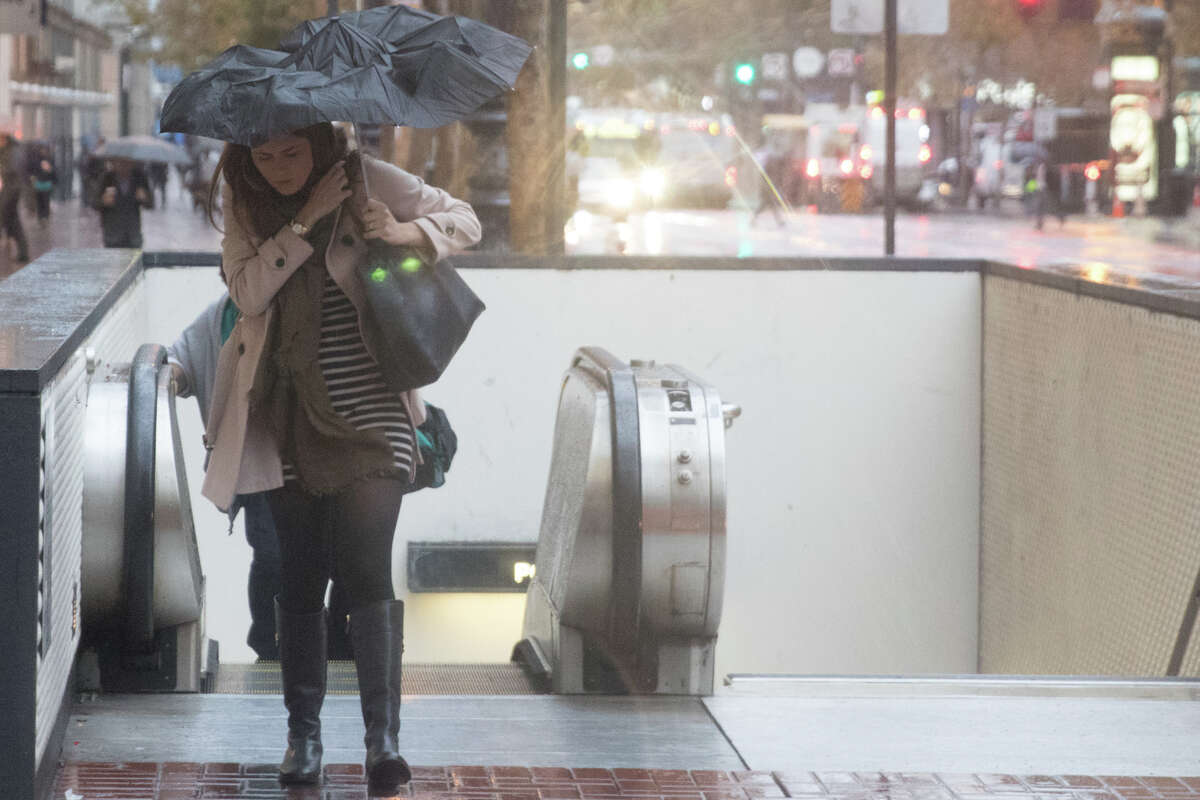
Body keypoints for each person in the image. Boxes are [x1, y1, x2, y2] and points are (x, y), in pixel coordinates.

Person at [199, 122, 480, 792]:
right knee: (299, 574)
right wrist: (303, 222)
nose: (277, 167)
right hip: (287, 416)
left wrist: (404, 232)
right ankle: (305, 739)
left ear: (319, 141)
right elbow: (246, 294)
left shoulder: (367, 177)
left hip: (375, 412)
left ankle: (383, 743)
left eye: (291, 153)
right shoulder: (246, 204)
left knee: (363, 562)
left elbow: (463, 220)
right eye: (263, 156)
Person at [93, 158, 154, 247]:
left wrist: (145, 198)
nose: (124, 165)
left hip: (133, 236)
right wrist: (103, 201)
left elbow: (151, 204)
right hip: (112, 235)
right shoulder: (107, 178)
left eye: (127, 162)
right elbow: (94, 203)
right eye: (120, 162)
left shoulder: (139, 177)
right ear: (114, 162)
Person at [0, 130, 29, 263]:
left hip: (12, 189)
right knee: (13, 221)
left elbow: (13, 169)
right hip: (8, 188)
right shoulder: (6, 150)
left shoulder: (14, 150)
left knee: (5, 217)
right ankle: (23, 253)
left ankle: (23, 252)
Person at [30, 145, 57, 225]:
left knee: (46, 201)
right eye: (42, 149)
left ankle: (45, 216)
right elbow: (33, 170)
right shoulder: (36, 160)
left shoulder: (50, 159)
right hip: (38, 183)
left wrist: (50, 170)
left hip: (46, 184)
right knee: (39, 202)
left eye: (45, 149)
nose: (43, 151)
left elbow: (54, 171)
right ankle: (40, 217)